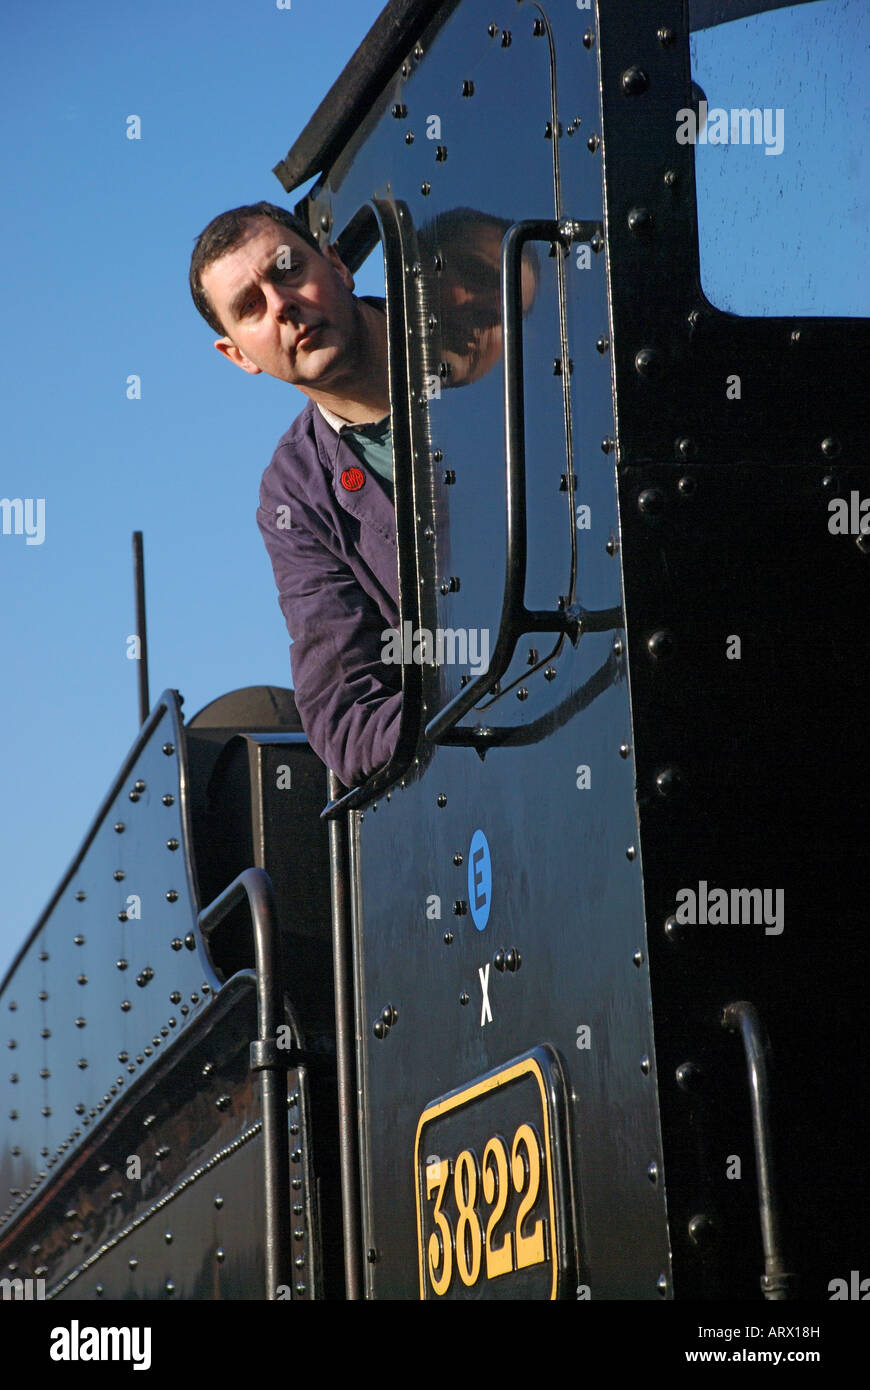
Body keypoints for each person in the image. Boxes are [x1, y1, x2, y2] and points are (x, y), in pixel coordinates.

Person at [189, 201, 402, 787]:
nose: (282, 306)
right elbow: (345, 714)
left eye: (287, 270)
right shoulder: (293, 495)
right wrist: (466, 708)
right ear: (237, 355)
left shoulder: (489, 337)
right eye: (250, 307)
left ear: (337, 264)